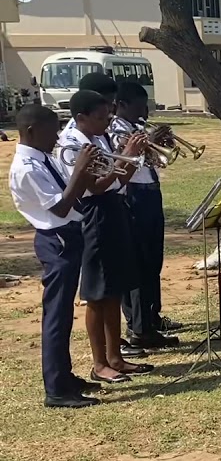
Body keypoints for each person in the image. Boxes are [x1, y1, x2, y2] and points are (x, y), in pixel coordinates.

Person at [9, 104, 103, 407]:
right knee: (57, 316)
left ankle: (65, 376)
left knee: (63, 317)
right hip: (56, 239)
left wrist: (86, 171)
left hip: (67, 235)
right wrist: (80, 170)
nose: (58, 137)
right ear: (32, 131)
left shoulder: (43, 159)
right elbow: (60, 207)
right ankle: (56, 389)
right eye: (53, 131)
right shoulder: (27, 168)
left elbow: (71, 197)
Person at [58, 90, 151, 385]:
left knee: (114, 289)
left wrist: (130, 158)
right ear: (81, 118)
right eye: (100, 118)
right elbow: (96, 187)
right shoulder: (72, 144)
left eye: (107, 117)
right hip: (94, 214)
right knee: (98, 294)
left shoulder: (99, 138)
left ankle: (115, 357)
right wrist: (127, 158)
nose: (106, 123)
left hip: (113, 209)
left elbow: (118, 180)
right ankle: (99, 364)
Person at [110, 81, 178, 349]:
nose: (145, 111)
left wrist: (160, 143)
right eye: (140, 107)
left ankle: (150, 316)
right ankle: (138, 327)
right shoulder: (115, 130)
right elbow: (124, 162)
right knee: (139, 261)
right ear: (122, 105)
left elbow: (158, 161)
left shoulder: (137, 129)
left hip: (150, 193)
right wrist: (142, 146)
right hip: (133, 196)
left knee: (153, 260)